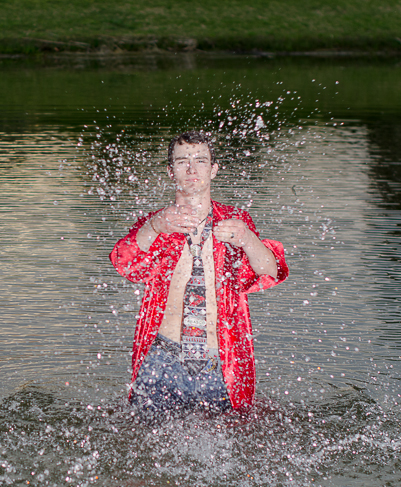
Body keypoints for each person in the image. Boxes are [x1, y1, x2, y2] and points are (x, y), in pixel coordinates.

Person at [109, 130, 288, 415]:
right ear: (171, 171)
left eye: (200, 160)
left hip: (220, 362)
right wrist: (155, 226)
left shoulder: (236, 222)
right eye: (182, 162)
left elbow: (270, 272)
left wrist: (247, 239)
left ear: (214, 169)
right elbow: (125, 264)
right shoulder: (156, 222)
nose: (192, 168)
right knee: (143, 446)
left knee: (231, 441)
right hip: (161, 360)